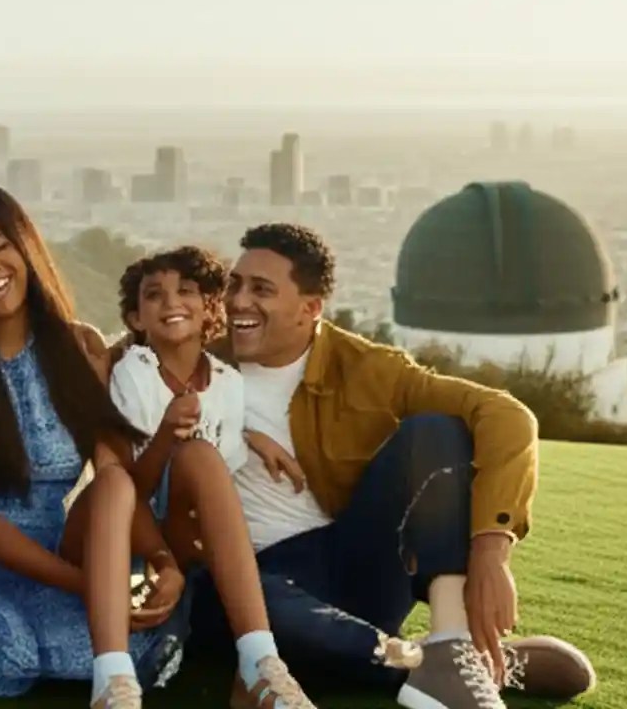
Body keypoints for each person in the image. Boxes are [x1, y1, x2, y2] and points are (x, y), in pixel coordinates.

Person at [189, 223, 597, 709]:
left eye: (261, 289)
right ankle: (440, 664)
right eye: (235, 284)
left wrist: (491, 552)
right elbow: (113, 379)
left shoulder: (368, 368)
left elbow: (507, 415)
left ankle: (447, 639)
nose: (238, 302)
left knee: (437, 430)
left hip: (347, 561)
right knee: (241, 604)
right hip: (244, 580)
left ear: (310, 308)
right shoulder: (190, 358)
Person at [0, 183, 190, 709]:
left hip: (65, 547)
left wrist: (159, 558)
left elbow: (115, 479)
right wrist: (92, 587)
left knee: (126, 636)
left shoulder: (81, 346)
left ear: (25, 246)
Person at [110, 246, 427, 708]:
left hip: (219, 552)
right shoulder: (132, 373)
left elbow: (223, 457)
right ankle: (421, 662)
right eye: (154, 296)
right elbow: (131, 482)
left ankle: (420, 657)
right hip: (162, 541)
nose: (172, 303)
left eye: (187, 292)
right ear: (136, 317)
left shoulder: (226, 382)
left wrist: (250, 434)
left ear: (209, 310)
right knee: (199, 464)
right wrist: (168, 437)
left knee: (269, 594)